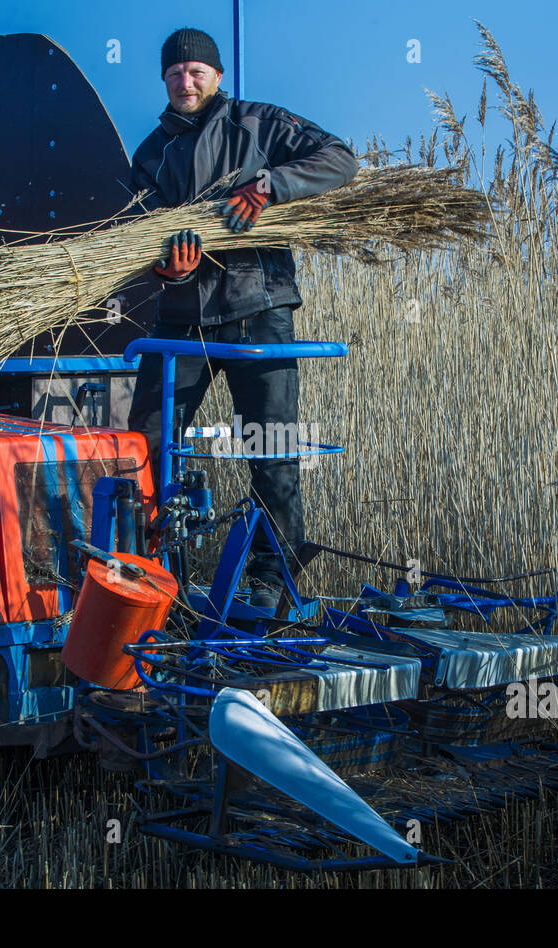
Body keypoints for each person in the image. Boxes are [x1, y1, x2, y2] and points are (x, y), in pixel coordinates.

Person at [126, 27, 358, 611]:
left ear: (218, 75)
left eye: (197, 71)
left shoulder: (258, 124)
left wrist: (271, 184)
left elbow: (340, 159)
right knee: (147, 445)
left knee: (271, 447)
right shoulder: (151, 154)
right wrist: (170, 273)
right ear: (163, 79)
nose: (186, 80)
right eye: (175, 72)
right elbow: (142, 240)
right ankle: (158, 575)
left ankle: (270, 580)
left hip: (260, 310)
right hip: (180, 321)